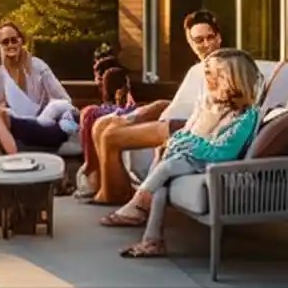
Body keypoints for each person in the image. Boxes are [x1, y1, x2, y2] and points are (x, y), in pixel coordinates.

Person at [105, 48, 263, 258]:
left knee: (168, 166)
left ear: (234, 80)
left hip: (216, 166)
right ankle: (152, 241)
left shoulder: (245, 118)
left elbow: (222, 152)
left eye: (216, 76)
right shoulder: (219, 109)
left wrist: (185, 143)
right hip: (198, 159)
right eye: (208, 76)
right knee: (161, 184)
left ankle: (139, 200)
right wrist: (180, 142)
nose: (210, 83)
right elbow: (193, 136)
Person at [87, 9, 224, 205]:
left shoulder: (224, 66)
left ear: (219, 37)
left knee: (110, 136)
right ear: (191, 43)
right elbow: (182, 102)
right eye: (199, 40)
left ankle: (114, 195)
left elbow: (215, 109)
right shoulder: (198, 69)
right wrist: (144, 112)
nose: (206, 45)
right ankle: (110, 188)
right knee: (102, 125)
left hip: (188, 128)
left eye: (210, 38)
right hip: (171, 121)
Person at [0, 21, 75, 153]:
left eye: (14, 40)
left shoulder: (38, 66)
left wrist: (51, 113)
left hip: (43, 123)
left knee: (59, 125)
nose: (11, 45)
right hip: (14, 124)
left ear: (21, 41)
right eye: (5, 42)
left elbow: (64, 99)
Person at [72, 60, 138, 201]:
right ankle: (93, 175)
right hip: (114, 120)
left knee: (89, 113)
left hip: (114, 124)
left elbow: (128, 112)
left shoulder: (97, 113)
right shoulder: (102, 111)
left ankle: (92, 172)